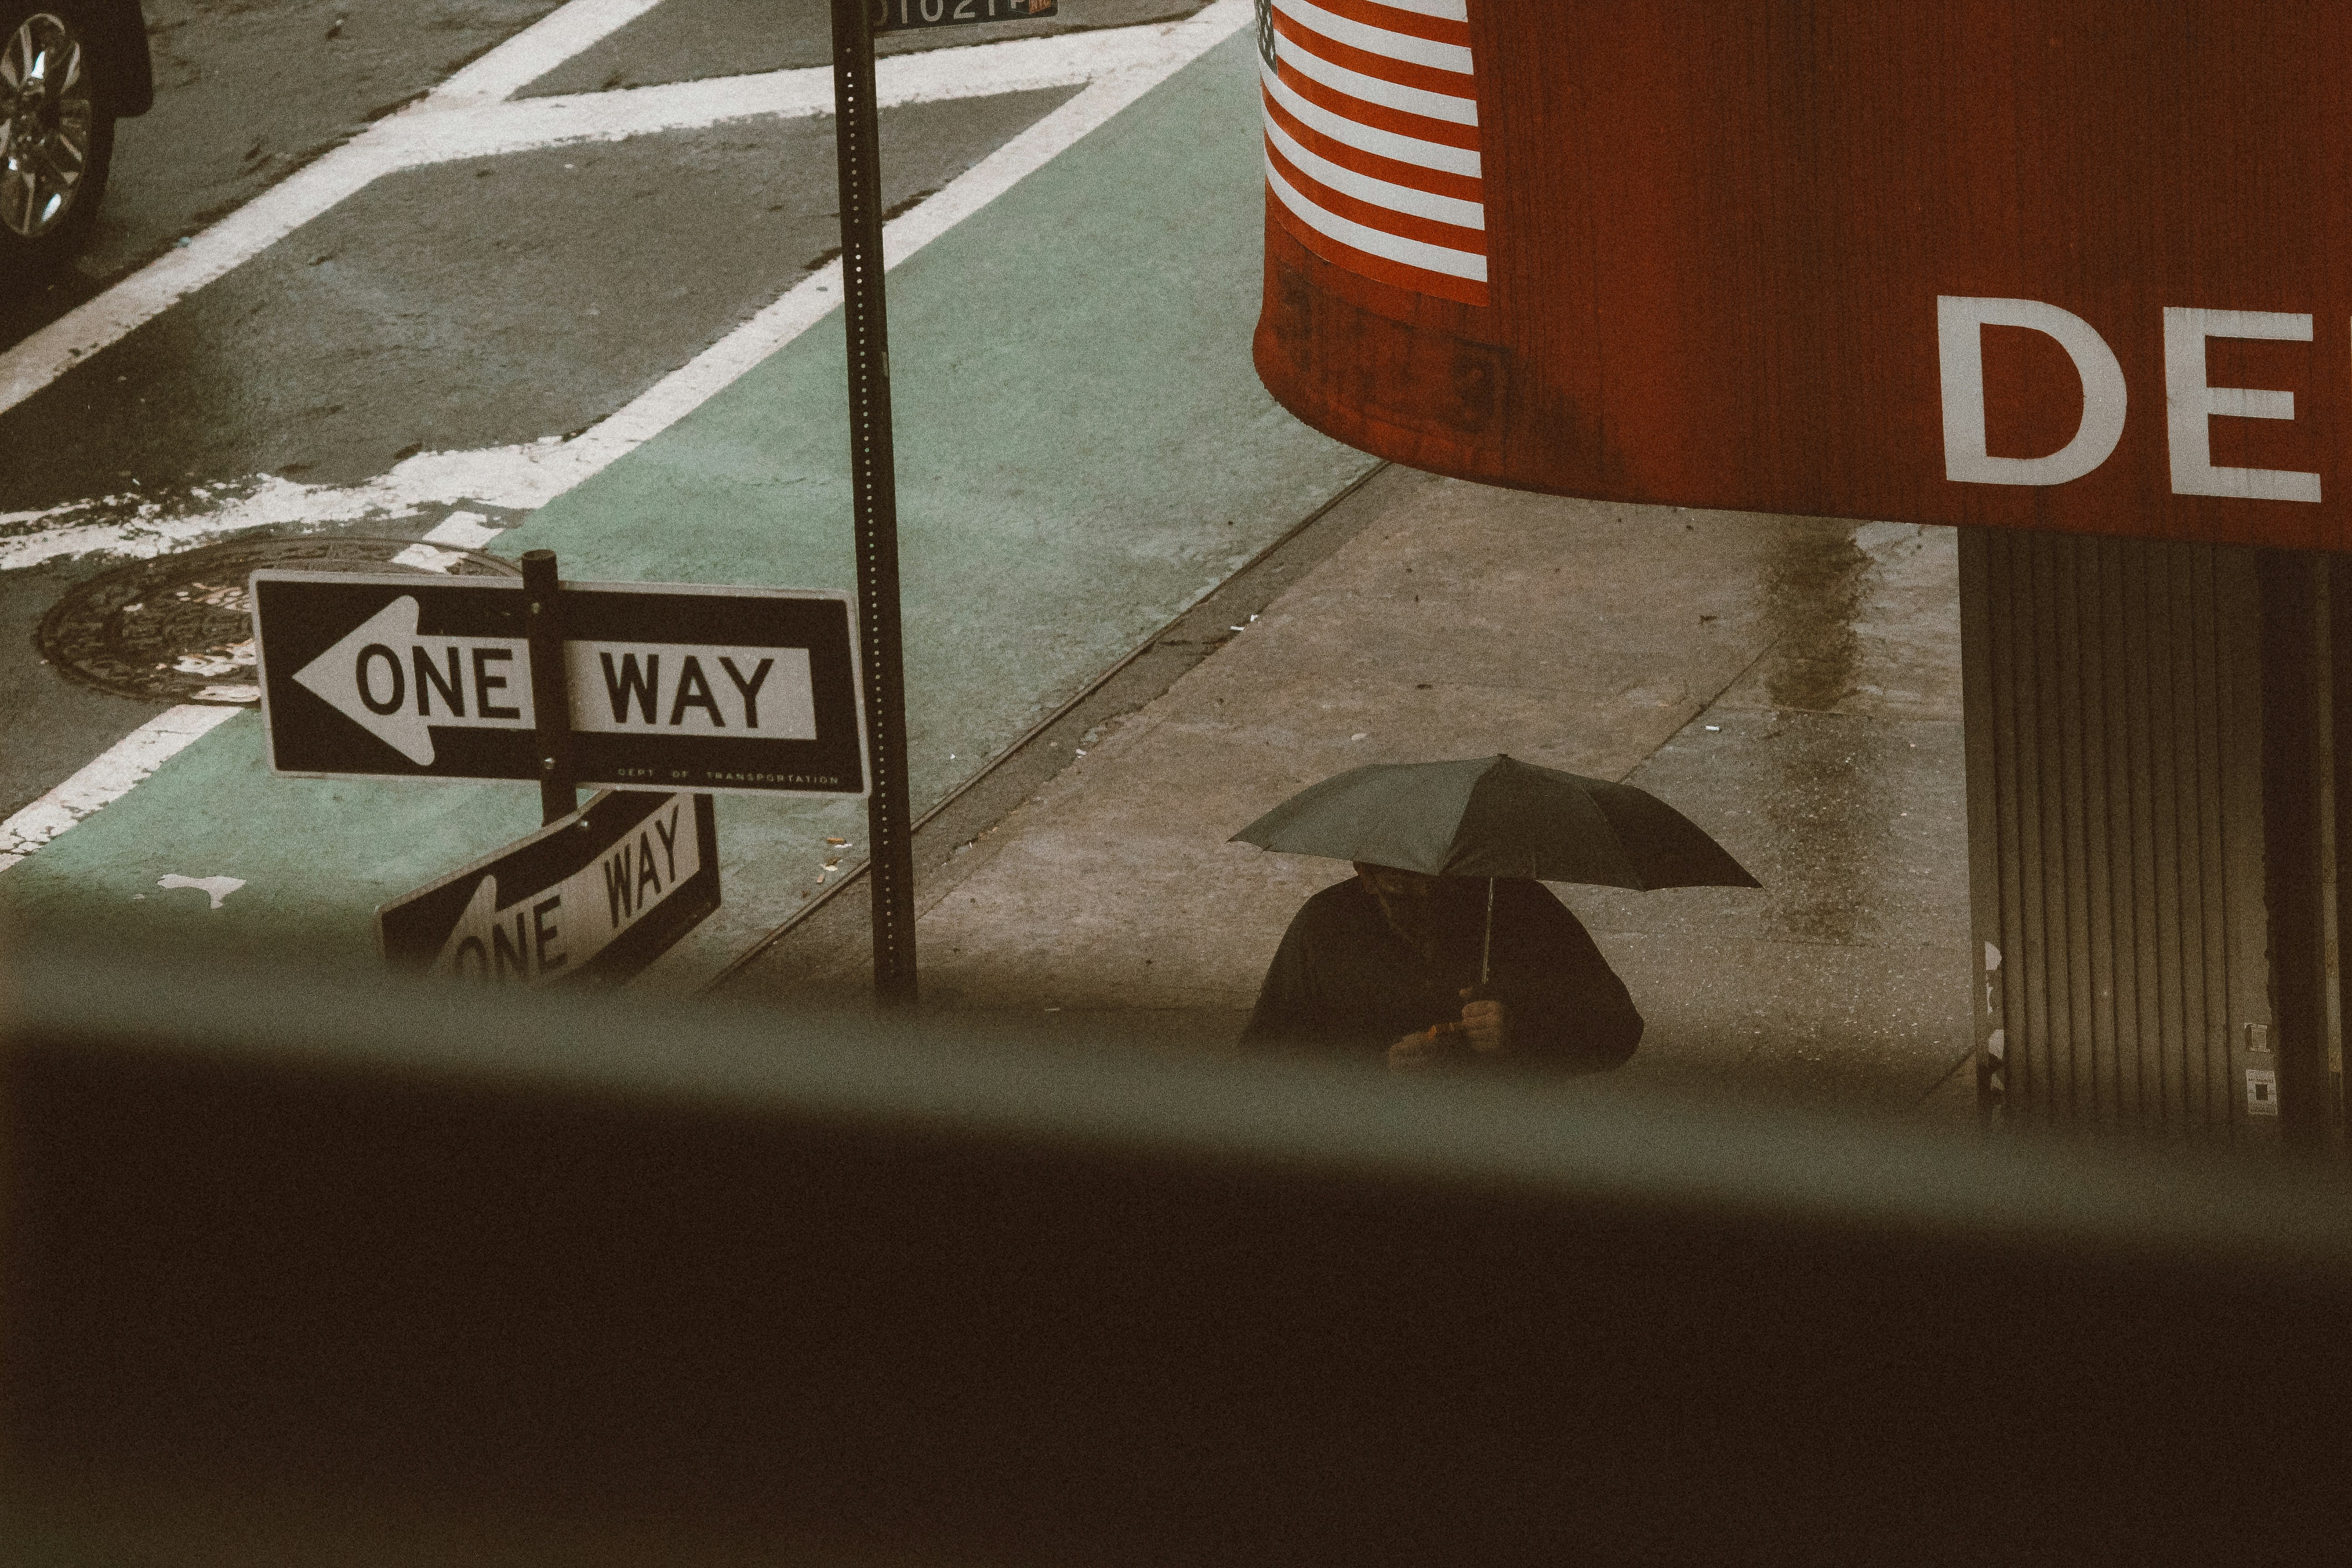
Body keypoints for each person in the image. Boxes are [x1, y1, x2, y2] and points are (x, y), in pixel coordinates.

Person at [1240, 863, 1642, 1073]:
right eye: (1403, 886)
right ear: (1365, 873)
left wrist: (1524, 1030)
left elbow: (1619, 1030)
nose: (1426, 897)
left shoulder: (1519, 908)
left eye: (1441, 882)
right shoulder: (1326, 924)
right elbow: (1264, 1054)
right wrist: (1373, 1068)